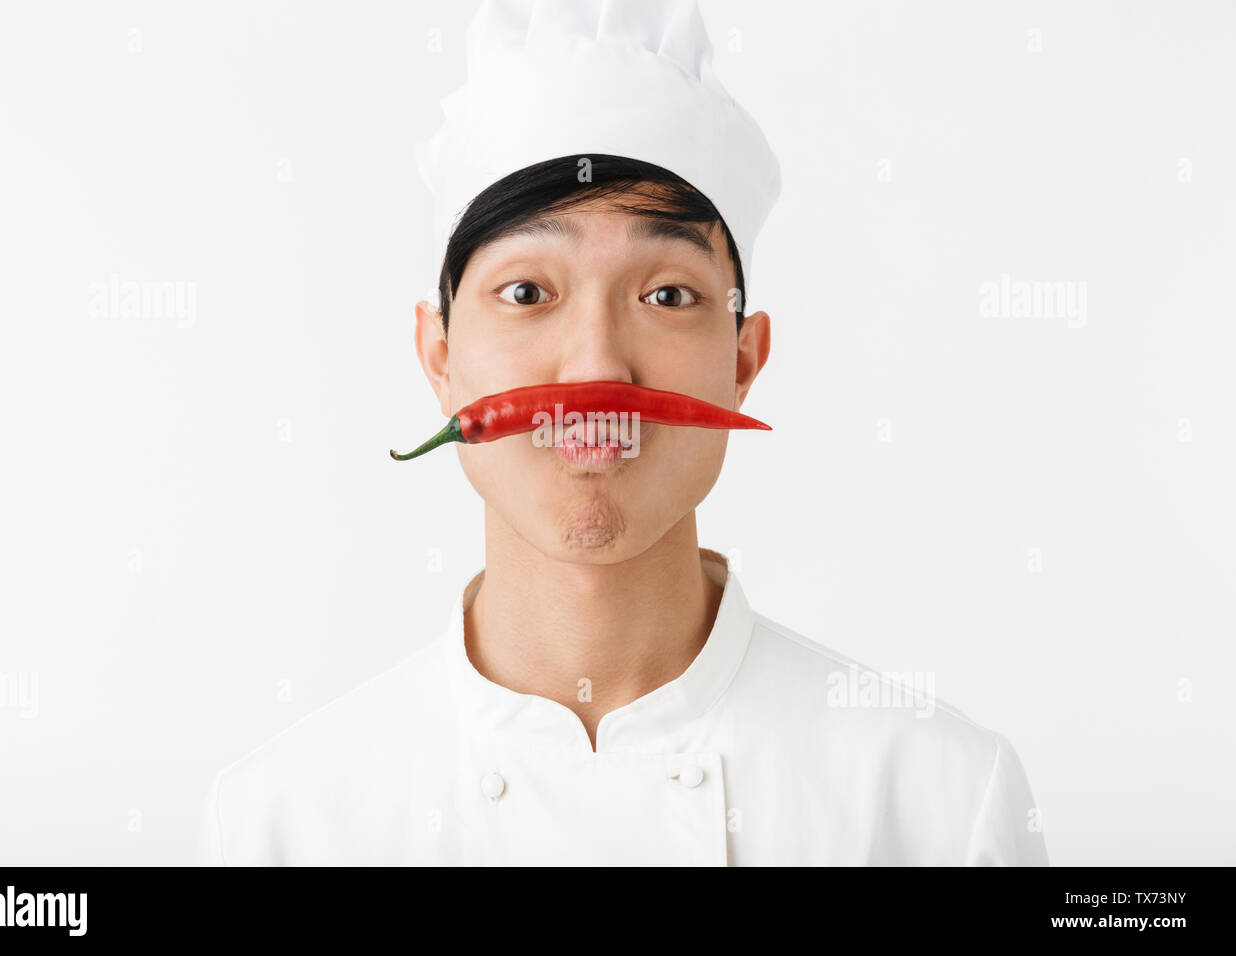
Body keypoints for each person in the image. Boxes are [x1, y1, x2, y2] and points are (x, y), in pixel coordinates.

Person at [194, 0, 1049, 866]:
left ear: (744, 357)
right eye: (528, 292)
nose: (596, 368)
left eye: (666, 295)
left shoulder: (936, 804)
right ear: (439, 355)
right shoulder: (286, 823)